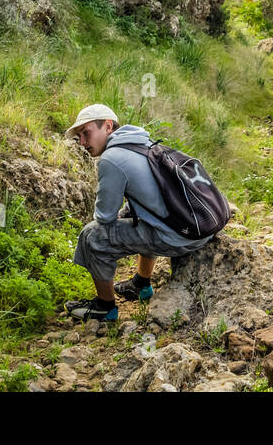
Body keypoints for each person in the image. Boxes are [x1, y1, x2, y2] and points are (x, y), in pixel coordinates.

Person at [64, 104, 213, 322]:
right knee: (133, 212)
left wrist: (114, 216)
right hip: (196, 227)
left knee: (91, 236)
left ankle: (104, 307)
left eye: (86, 133)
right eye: (79, 137)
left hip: (180, 238)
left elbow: (104, 217)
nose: (83, 143)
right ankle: (141, 285)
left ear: (107, 126)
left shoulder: (111, 158)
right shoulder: (140, 142)